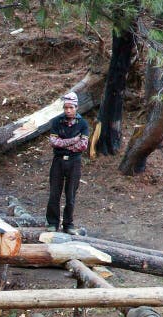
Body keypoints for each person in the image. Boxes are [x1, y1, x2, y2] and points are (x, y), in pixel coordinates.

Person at [45, 91, 89, 234]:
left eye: (71, 107)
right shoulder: (57, 121)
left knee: (70, 195)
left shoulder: (82, 123)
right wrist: (72, 141)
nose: (68, 110)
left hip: (74, 162)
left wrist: (64, 144)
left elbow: (83, 145)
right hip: (58, 161)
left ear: (76, 107)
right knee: (54, 193)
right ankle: (52, 223)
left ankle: (68, 224)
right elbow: (53, 142)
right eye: (66, 107)